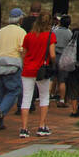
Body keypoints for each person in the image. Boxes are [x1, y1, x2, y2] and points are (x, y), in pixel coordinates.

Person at [19, 9, 56, 139]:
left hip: (28, 69)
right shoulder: (50, 36)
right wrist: (53, 63)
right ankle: (41, 126)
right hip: (42, 70)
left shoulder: (28, 36)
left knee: (26, 98)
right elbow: (52, 54)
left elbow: (23, 54)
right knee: (44, 96)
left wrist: (27, 63)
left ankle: (24, 128)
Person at [0, 7, 27, 130]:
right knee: (13, 91)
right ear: (20, 19)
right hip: (12, 65)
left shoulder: (1, 31)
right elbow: (23, 50)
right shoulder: (21, 32)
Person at [51, 14, 73, 106]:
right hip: (64, 57)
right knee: (62, 80)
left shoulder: (54, 31)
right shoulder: (69, 33)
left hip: (54, 55)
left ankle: (48, 96)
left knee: (51, 78)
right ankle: (62, 100)